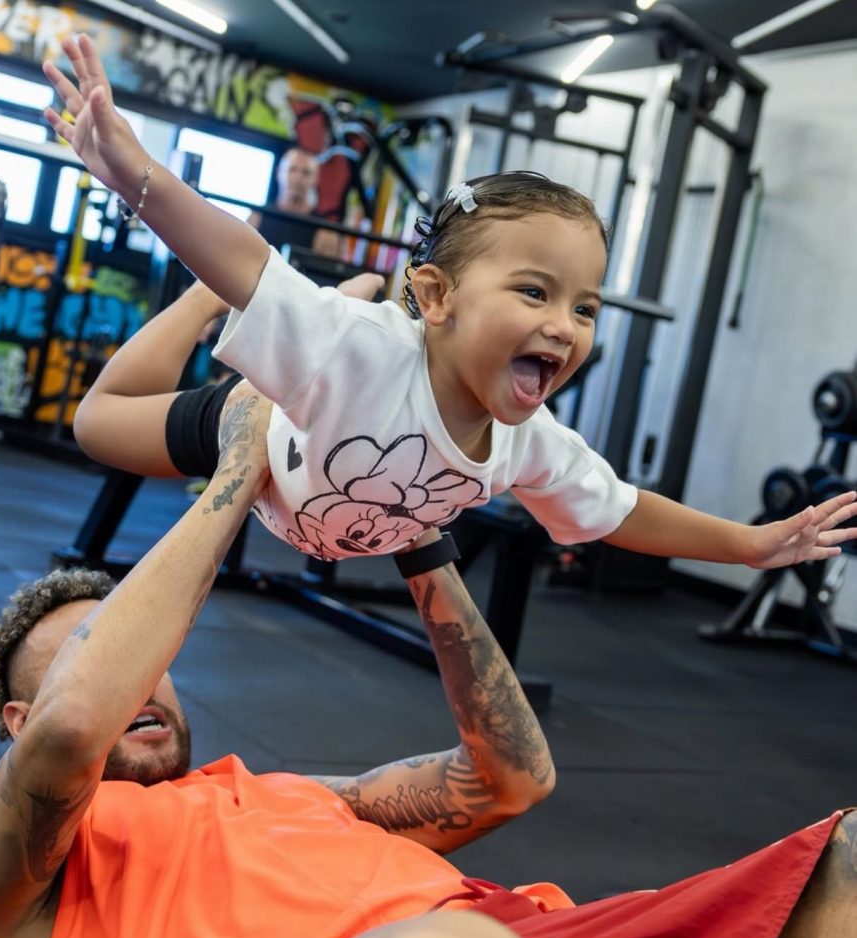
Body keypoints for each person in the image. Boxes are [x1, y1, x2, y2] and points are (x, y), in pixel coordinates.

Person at [0, 382, 857, 938]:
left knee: (843, 862)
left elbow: (509, 779)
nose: (139, 680)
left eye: (142, 658)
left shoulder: (287, 797)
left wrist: (419, 535)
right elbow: (73, 727)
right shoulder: (18, 869)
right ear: (14, 725)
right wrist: (239, 470)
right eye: (96, 656)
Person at [43, 35, 857, 573]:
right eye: (534, 291)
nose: (562, 325)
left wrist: (749, 545)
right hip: (257, 428)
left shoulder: (527, 442)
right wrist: (136, 179)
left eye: (583, 308)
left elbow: (619, 511)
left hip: (333, 508)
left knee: (279, 307)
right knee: (96, 424)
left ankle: (261, 311)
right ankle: (201, 309)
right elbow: (245, 258)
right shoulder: (351, 349)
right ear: (433, 297)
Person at [251, 145, 344, 258]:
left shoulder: (325, 232)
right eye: (292, 169)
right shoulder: (257, 217)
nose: (298, 177)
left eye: (306, 172)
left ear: (316, 178)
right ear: (279, 172)